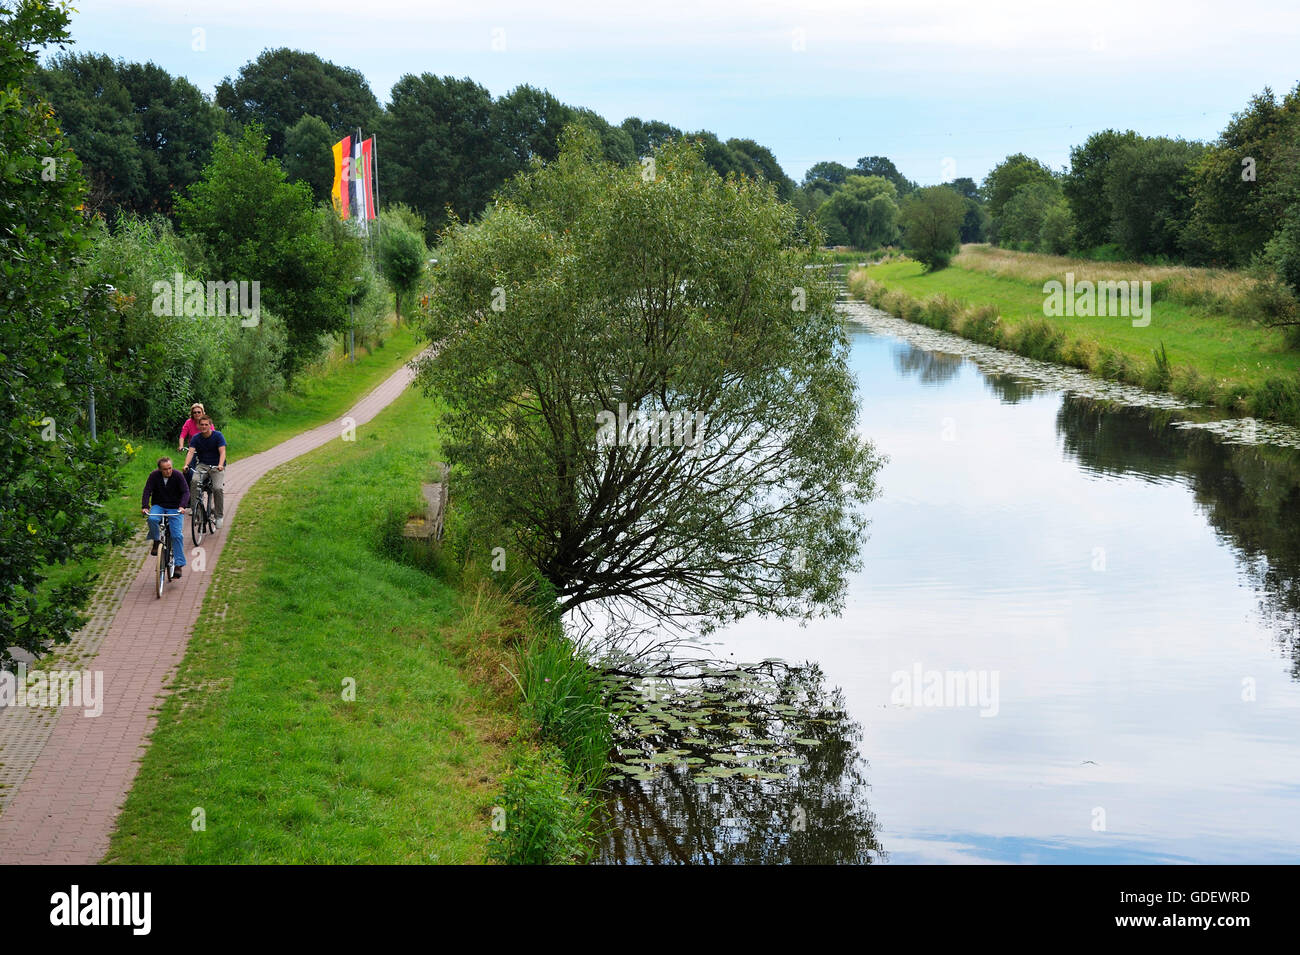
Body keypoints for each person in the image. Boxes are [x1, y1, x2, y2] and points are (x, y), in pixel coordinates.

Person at [141, 456, 189, 578]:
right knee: (152, 519)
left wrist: (182, 506)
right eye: (165, 469)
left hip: (175, 507)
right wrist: (145, 506)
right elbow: (147, 491)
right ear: (159, 469)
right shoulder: (154, 476)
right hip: (159, 505)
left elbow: (185, 492)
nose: (168, 471)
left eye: (170, 468)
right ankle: (156, 541)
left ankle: (178, 565)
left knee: (177, 535)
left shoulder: (178, 475)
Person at [185, 415, 227, 530]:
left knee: (217, 488)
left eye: (206, 425)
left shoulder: (218, 436)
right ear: (198, 426)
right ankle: (196, 511)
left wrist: (220, 464)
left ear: (210, 425)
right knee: (194, 481)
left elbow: (222, 452)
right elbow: (190, 452)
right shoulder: (196, 438)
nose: (204, 427)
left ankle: (219, 516)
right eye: (201, 424)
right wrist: (186, 465)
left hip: (216, 466)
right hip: (202, 465)